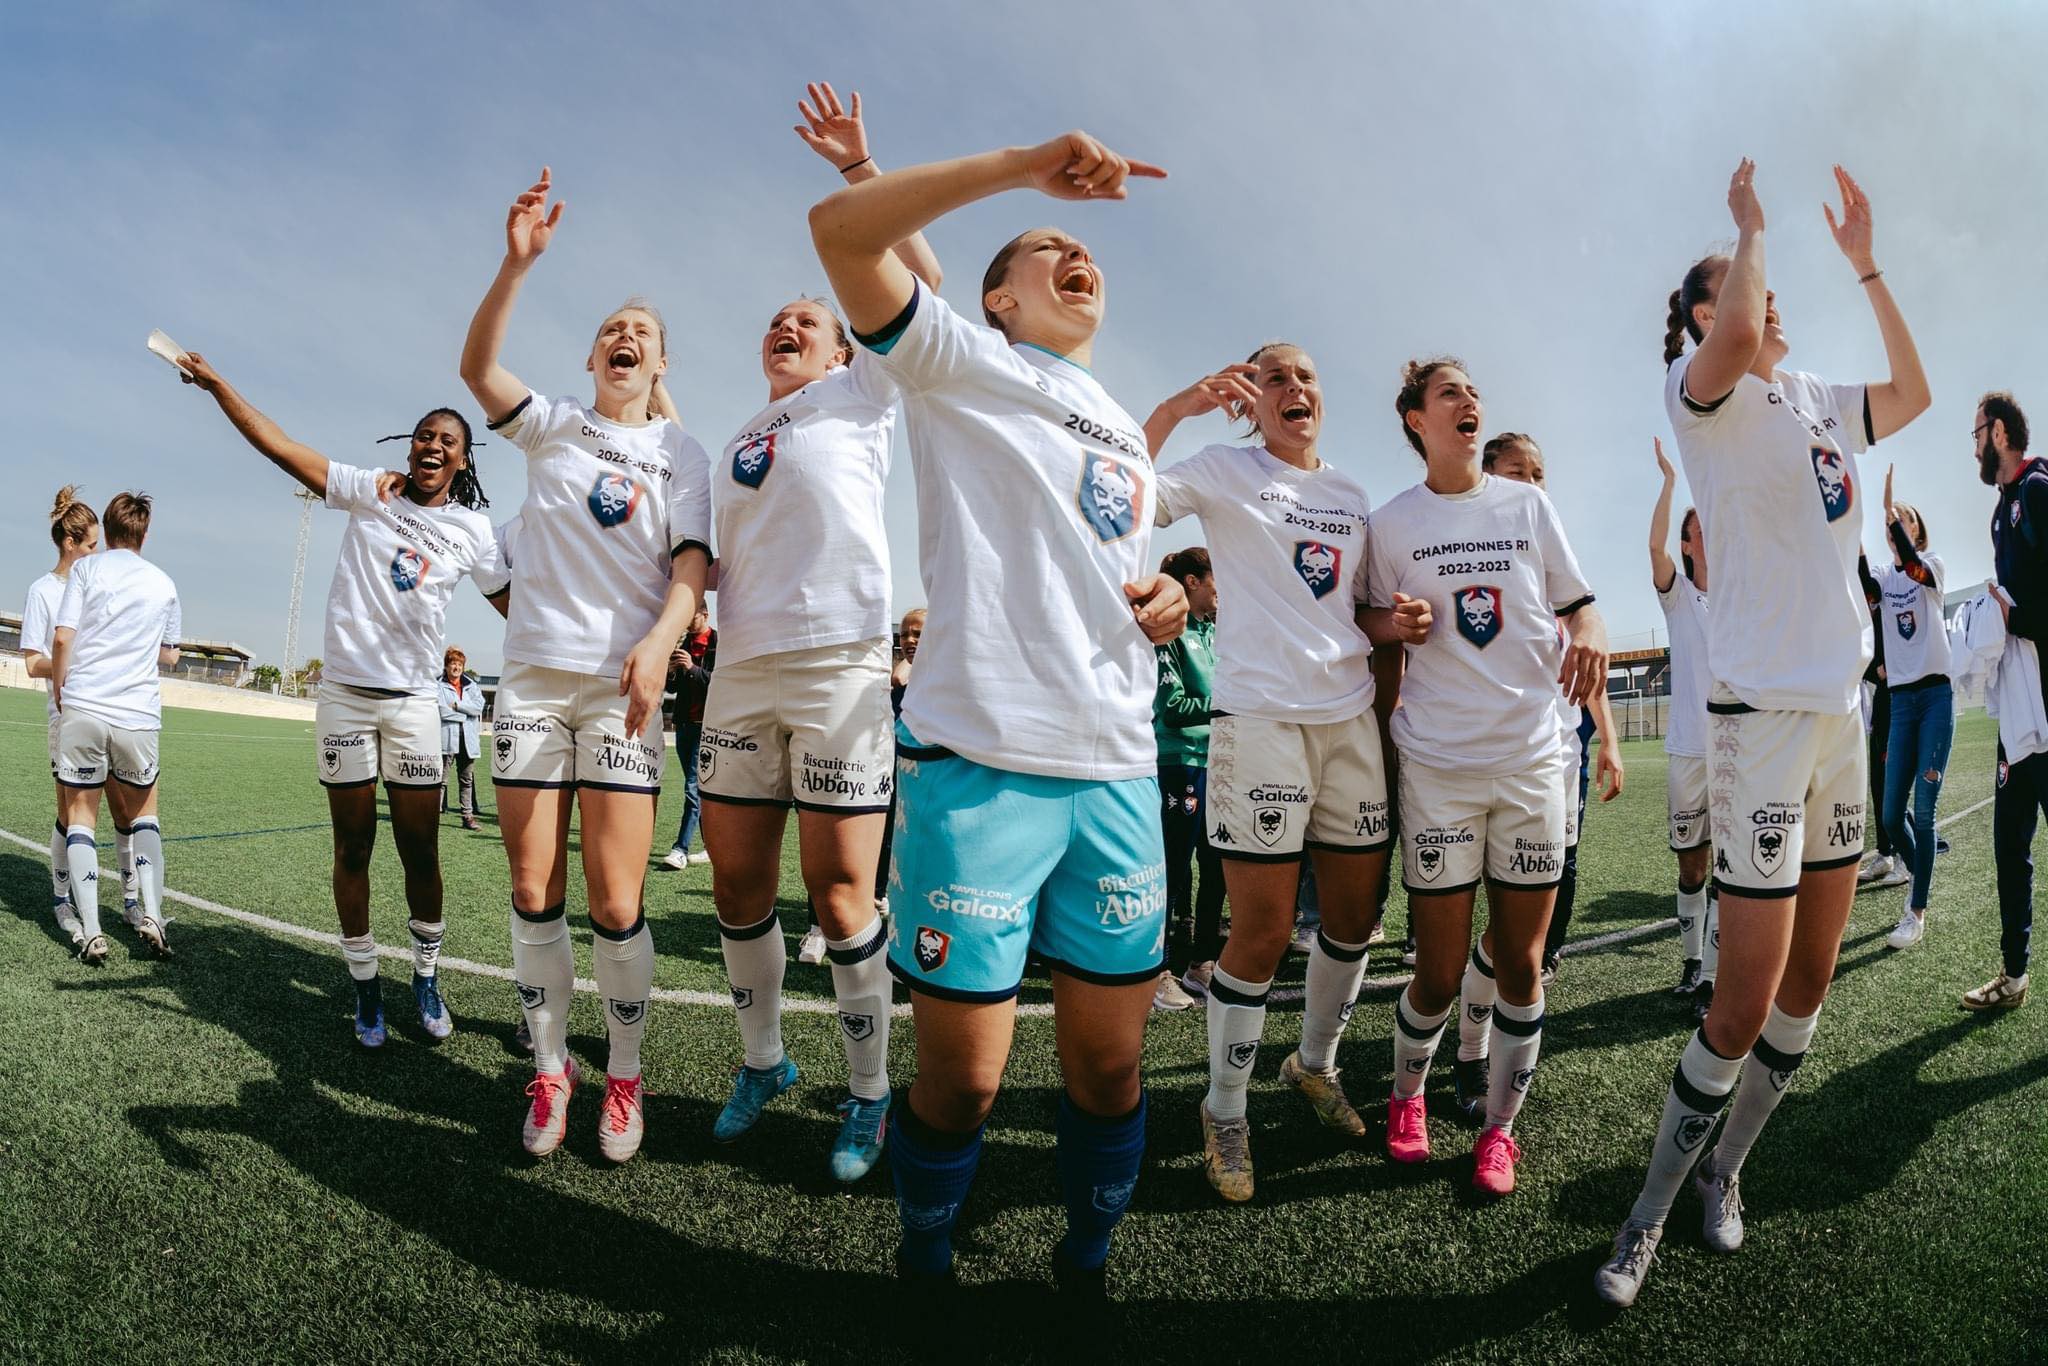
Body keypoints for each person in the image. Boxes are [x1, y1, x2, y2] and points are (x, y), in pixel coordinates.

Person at [811, 127, 1187, 1299]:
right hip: (981, 775)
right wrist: (1023, 169)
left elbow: (1112, 568)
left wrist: (1171, 592)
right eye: (1044, 247)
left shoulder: (1122, 425)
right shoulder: (961, 368)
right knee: (964, 1084)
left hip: (1118, 777)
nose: (1076, 251)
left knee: (1109, 1071)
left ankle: (1085, 1253)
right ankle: (925, 1250)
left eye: (1084, 246)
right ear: (991, 299)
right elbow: (840, 237)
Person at [1596, 161, 1930, 1307]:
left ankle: (1722, 1175)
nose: (1767, 301)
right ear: (1699, 315)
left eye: (1765, 284)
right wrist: (1746, 228)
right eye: (1741, 289)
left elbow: (1914, 392)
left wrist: (1867, 265)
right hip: (1758, 724)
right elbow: (1739, 329)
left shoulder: (1816, 400)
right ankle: (1641, 1213)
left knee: (1808, 989)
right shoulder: (1706, 393)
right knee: (1738, 1000)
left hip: (1840, 714)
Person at [700, 82, 943, 1184]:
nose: (788, 324)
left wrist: (862, 174)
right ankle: (762, 1063)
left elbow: (924, 292)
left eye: (809, 317)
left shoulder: (865, 392)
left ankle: (868, 1094)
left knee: (843, 896)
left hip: (841, 664)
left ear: (845, 346)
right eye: (777, 318)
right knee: (737, 889)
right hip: (741, 671)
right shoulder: (737, 434)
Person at [461, 167, 712, 1163]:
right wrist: (514, 265)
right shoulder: (555, 424)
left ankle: (625, 1076)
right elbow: (479, 367)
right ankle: (551, 1068)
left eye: (642, 336)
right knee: (533, 891)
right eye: (614, 330)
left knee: (615, 901)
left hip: (621, 691)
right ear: (592, 354)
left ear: (658, 366)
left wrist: (657, 644)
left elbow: (691, 564)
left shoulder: (683, 454)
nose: (625, 339)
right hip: (530, 684)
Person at [1146, 345, 1429, 1203]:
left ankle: (1314, 1066)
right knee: (1262, 932)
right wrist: (1178, 406)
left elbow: (1349, 613)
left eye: (1304, 376)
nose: (1292, 387)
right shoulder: (1223, 468)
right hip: (1261, 723)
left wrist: (1396, 621)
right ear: (1251, 401)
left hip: (1346, 721)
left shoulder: (1348, 495)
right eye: (1273, 377)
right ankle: (1223, 1108)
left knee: (1352, 918)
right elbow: (1122, 491)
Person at [181, 352, 505, 1044]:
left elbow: (518, 606)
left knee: (422, 851)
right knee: (353, 846)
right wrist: (218, 388)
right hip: (347, 702)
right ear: (409, 447)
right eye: (425, 434)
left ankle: (424, 977)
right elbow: (280, 446)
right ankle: (365, 991)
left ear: (464, 463)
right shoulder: (370, 490)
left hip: (416, 705)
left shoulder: (476, 532)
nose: (433, 444)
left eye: (449, 440)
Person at [1367, 362, 1608, 1198]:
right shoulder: (1390, 523)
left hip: (1533, 761)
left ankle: (1499, 1132)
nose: (1468, 401)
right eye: (1448, 393)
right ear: (1414, 419)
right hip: (1438, 767)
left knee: (1521, 963)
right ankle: (1406, 1096)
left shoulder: (1529, 506)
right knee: (1435, 974)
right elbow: (1367, 623)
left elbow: (1582, 605)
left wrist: (1591, 632)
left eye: (1473, 391)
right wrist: (1391, 622)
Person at [1471, 433, 1623, 992]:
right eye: (1517, 473)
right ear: (1485, 474)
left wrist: (1607, 739)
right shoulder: (1458, 551)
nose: (1532, 486)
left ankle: (1543, 951)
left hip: (1559, 743)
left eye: (1538, 475)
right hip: (1479, 746)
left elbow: (1587, 661)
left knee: (1563, 856)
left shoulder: (1553, 566)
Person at [50, 493, 182, 964]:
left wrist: (64, 688)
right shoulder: (164, 584)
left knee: (80, 817)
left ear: (105, 533)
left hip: (85, 704)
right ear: (145, 534)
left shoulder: (87, 570)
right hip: (137, 714)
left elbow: (64, 635)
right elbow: (170, 653)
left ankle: (90, 931)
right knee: (145, 815)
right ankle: (152, 915)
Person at [1966, 390, 2043, 1011]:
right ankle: (2014, 977)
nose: (1972, 447)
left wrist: (2013, 617)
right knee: (2008, 843)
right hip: (2020, 712)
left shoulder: (2040, 489)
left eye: (1975, 434)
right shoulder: (1998, 512)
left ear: (1997, 433)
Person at [1868, 466, 1952, 949]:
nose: (1895, 526)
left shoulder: (1932, 568)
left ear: (1917, 530)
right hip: (1900, 703)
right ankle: (1923, 871)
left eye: (1904, 520)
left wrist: (1889, 513)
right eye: (1891, 523)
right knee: (1888, 813)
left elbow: (1915, 567)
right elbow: (1863, 579)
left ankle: (1916, 910)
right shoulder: (1883, 576)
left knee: (1923, 810)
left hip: (1935, 699)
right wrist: (1854, 525)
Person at [1648, 439, 1718, 1006]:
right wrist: (1672, 483)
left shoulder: (1743, 597)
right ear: (1688, 543)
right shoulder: (1679, 599)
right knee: (1692, 866)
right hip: (1688, 753)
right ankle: (1692, 965)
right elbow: (1653, 545)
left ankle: (1716, 976)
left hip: (1737, 749)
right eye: (1703, 526)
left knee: (1732, 867)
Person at [21, 487, 102, 952]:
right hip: (65, 713)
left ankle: (129, 902)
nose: (96, 553)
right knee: (69, 812)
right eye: (91, 545)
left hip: (103, 711)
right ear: (70, 543)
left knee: (98, 814)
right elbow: (34, 662)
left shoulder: (95, 586)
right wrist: (76, 662)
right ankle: (61, 900)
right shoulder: (43, 591)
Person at [1150, 548, 1222, 1009]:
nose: (1224, 591)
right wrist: (1227, 705)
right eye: (1218, 581)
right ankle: (1158, 971)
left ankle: (1201, 963)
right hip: (1180, 762)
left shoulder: (1218, 632)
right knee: (1173, 869)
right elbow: (1172, 709)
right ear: (1192, 582)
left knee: (1217, 868)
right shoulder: (1166, 635)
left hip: (1220, 762)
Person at [659, 606, 714, 870]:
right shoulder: (683, 644)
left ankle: (680, 849)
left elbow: (718, 682)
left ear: (705, 613)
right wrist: (671, 670)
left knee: (693, 787)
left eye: (690, 615)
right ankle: (713, 847)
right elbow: (672, 688)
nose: (687, 621)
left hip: (708, 725)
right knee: (697, 788)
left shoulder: (718, 643)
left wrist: (691, 667)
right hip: (684, 725)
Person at [441, 647, 486, 831]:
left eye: (459, 664)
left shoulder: (471, 686)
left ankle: (467, 816)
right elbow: (441, 710)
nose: (456, 667)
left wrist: (458, 706)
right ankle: (433, 815)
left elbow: (479, 707)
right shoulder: (438, 685)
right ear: (446, 666)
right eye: (453, 664)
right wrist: (465, 715)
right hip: (446, 738)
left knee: (466, 779)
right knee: (441, 780)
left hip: (468, 740)